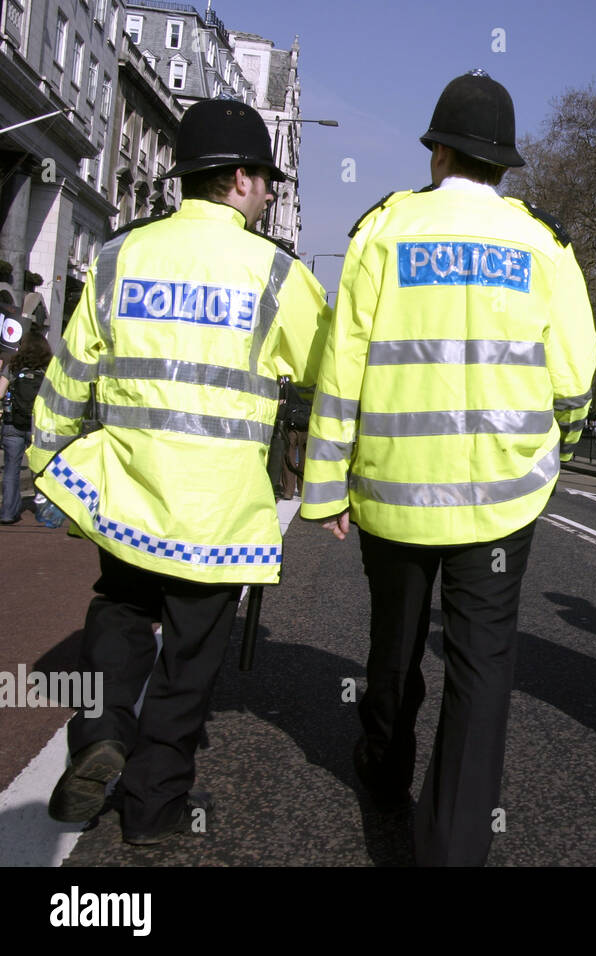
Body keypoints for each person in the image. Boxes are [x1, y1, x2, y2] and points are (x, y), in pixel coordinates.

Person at [300, 70, 596, 867]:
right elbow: (575, 379)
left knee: (394, 644)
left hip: (393, 490)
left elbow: (342, 373)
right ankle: (455, 844)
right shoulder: (543, 244)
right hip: (501, 500)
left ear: (436, 152)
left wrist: (326, 486)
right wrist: (553, 448)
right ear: (505, 164)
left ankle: (385, 769)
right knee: (483, 662)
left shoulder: (381, 233)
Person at [29, 99, 331, 843]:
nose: (270, 194)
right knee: (191, 660)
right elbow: (333, 375)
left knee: (120, 612)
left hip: (129, 491)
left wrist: (45, 461)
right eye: (266, 181)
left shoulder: (118, 256)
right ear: (236, 179)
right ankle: (154, 809)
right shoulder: (278, 275)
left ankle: (100, 726)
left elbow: (70, 375)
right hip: (217, 514)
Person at [1, 329, 52, 524]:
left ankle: (7, 513)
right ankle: (44, 512)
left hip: (13, 424)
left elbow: (0, 392)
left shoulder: (13, 366)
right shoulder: (49, 367)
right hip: (38, 425)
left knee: (11, 470)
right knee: (40, 469)